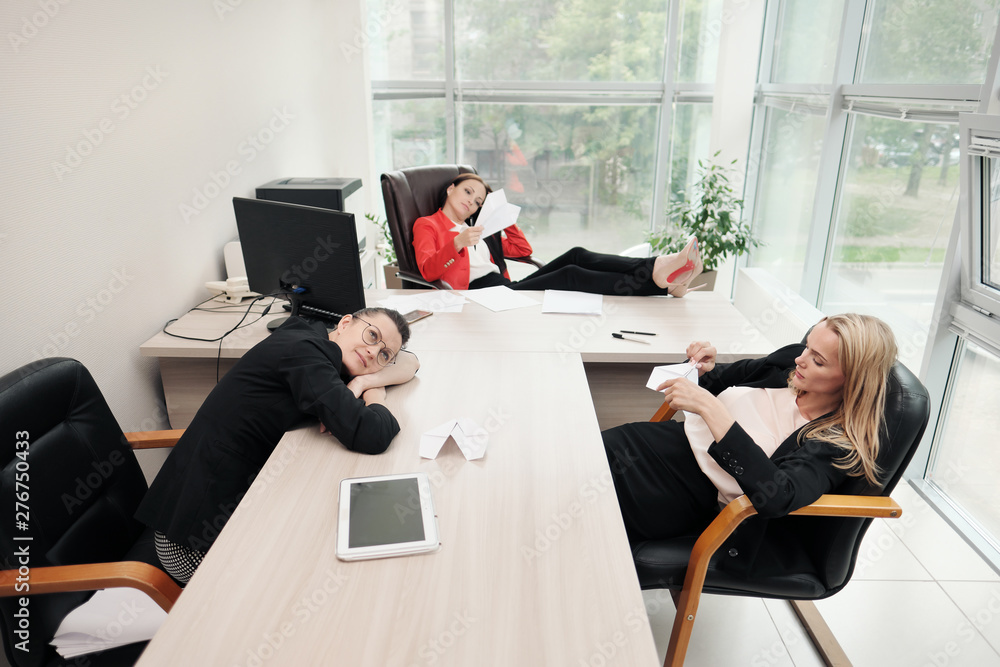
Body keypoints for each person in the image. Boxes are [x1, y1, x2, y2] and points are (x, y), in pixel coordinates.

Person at [135, 307, 419, 584]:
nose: (373, 352)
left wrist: (364, 381)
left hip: (212, 512)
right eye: (371, 336)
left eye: (384, 354)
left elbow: (411, 362)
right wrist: (376, 396)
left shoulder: (311, 336)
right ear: (345, 323)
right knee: (311, 568)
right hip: (190, 546)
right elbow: (373, 434)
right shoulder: (306, 355)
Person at [602, 313, 897, 566]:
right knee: (573, 460)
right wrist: (700, 366)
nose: (800, 359)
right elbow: (716, 380)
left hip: (681, 493)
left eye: (817, 360)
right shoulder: (787, 368)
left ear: (853, 379)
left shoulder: (834, 442)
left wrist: (711, 408)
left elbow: (779, 497)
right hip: (652, 444)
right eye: (807, 347)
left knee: (579, 497)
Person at [411, 173, 704, 296]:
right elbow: (428, 270)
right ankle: (659, 282)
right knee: (571, 274)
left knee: (575, 254)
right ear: (451, 188)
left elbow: (521, 249)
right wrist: (457, 243)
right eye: (467, 192)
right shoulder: (428, 225)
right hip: (481, 296)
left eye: (478, 200)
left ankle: (659, 270)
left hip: (504, 289)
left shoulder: (476, 229)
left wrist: (498, 216)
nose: (471, 201)